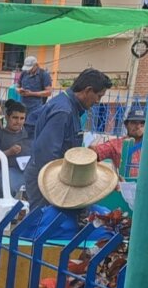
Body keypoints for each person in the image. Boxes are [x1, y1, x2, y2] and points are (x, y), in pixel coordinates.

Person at [23, 68, 113, 211]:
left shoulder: (68, 106)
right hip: (47, 180)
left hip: (52, 177)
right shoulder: (63, 111)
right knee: (42, 225)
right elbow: (47, 153)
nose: (97, 101)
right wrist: (56, 187)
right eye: (99, 96)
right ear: (88, 90)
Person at [0, 100, 31, 193]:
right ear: (6, 117)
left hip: (27, 171)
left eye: (22, 118)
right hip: (5, 171)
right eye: (15, 118)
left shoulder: (28, 134)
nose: (18, 122)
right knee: (12, 188)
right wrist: (9, 152)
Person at [90, 105, 145, 178]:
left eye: (142, 123)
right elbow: (93, 154)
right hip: (124, 185)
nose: (138, 126)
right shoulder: (116, 144)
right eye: (134, 122)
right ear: (126, 125)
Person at [16, 55, 52, 120]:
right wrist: (19, 90)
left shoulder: (44, 74)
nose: (28, 70)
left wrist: (31, 93)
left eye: (30, 68)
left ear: (36, 65)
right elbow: (17, 86)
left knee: (32, 126)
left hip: (36, 108)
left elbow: (48, 92)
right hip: (23, 106)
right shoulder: (24, 73)